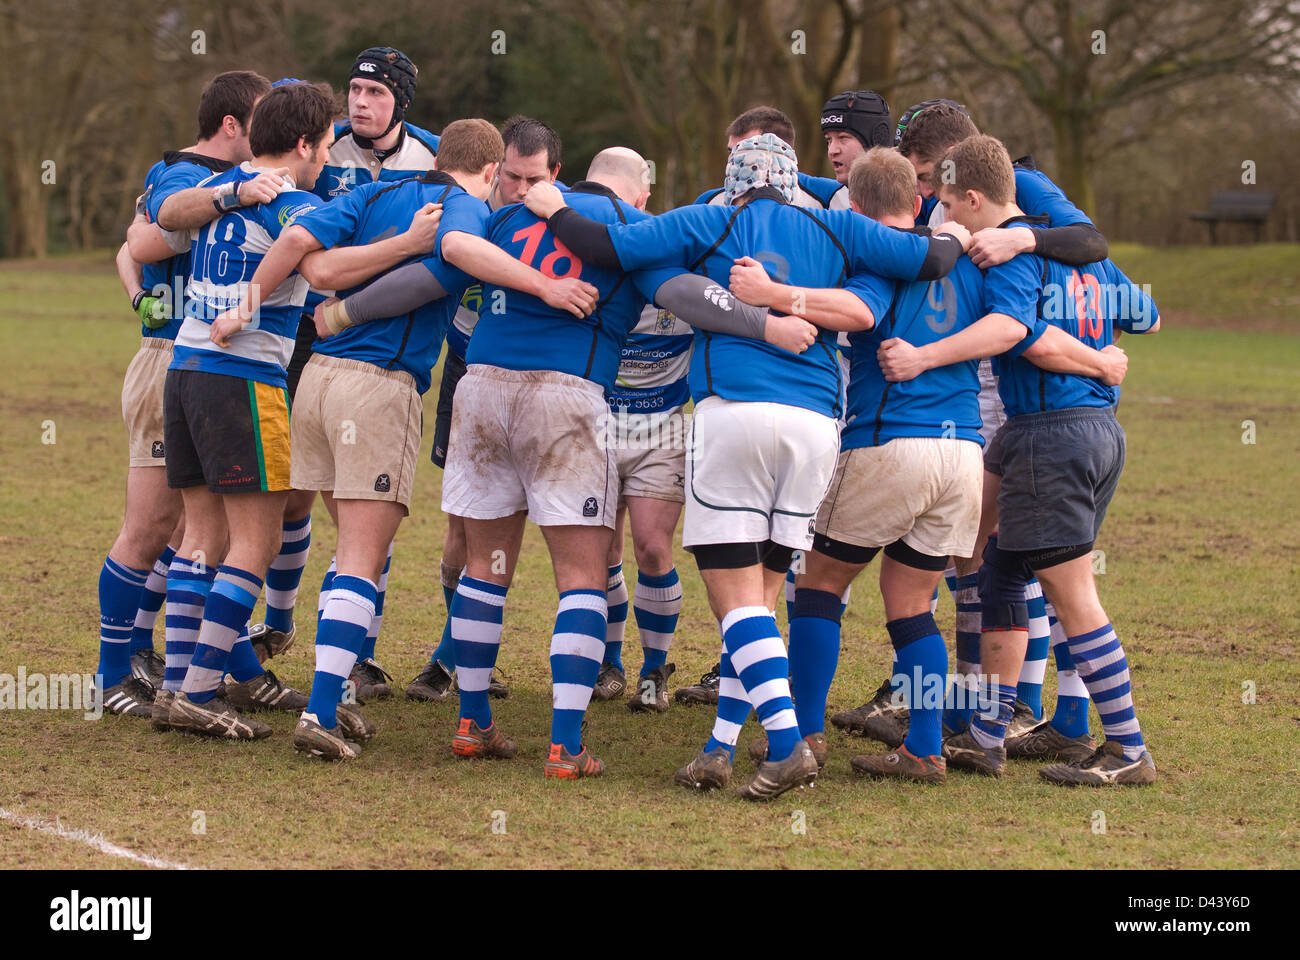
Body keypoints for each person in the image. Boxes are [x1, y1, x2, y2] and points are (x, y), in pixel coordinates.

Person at [525, 133, 970, 798]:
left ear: (733, 181)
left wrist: (550, 204)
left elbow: (605, 248)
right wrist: (964, 232)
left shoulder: (712, 217)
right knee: (762, 599)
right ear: (795, 182)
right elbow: (930, 258)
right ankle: (720, 745)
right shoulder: (840, 224)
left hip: (734, 418)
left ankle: (788, 744)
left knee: (737, 605)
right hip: (818, 427)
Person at [737, 148, 1127, 782]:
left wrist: (775, 298)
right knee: (911, 599)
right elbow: (1020, 321)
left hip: (890, 442)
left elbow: (851, 311)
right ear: (916, 200)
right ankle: (923, 747)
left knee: (819, 587)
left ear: (856, 208)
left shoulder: (876, 255)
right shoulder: (977, 262)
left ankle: (805, 735)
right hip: (964, 456)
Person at [834, 99, 1113, 758]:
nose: (925, 194)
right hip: (993, 397)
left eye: (928, 177)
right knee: (977, 558)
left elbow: (1094, 247)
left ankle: (1023, 709)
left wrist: (1026, 238)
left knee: (1033, 562)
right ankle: (965, 706)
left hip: (1026, 399)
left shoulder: (1026, 188)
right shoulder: (945, 204)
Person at [885, 134, 1160, 785]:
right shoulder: (1085, 259)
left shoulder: (1009, 258)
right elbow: (1145, 316)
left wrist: (925, 354)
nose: (942, 215)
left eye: (948, 202)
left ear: (975, 199)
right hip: (1089, 430)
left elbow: (1019, 333)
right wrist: (1100, 346)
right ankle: (987, 735)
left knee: (1073, 598)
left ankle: (1128, 750)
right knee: (1001, 573)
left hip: (1052, 434)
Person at [155, 82, 362, 739]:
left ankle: (176, 686)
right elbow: (326, 273)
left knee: (201, 539)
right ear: (303, 144)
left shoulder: (235, 183)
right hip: (242, 380)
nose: (329, 156)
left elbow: (168, 213)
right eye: (327, 143)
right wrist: (413, 241)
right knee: (256, 542)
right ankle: (194, 691)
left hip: (184, 372)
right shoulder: (290, 202)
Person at [96, 70, 273, 719]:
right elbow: (141, 241)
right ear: (232, 125)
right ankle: (113, 673)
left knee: (210, 530)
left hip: (207, 361)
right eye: (263, 120)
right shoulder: (181, 174)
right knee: (151, 528)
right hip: (171, 355)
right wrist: (144, 300)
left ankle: (227, 665)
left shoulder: (206, 176)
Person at [406, 116, 565, 703]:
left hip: (544, 386)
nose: (522, 191)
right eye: (513, 178)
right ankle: (453, 657)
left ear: (556, 176)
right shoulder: (477, 217)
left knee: (535, 531)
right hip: (467, 376)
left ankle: (457, 657)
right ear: (496, 171)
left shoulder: (566, 224)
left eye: (535, 179)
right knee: (463, 526)